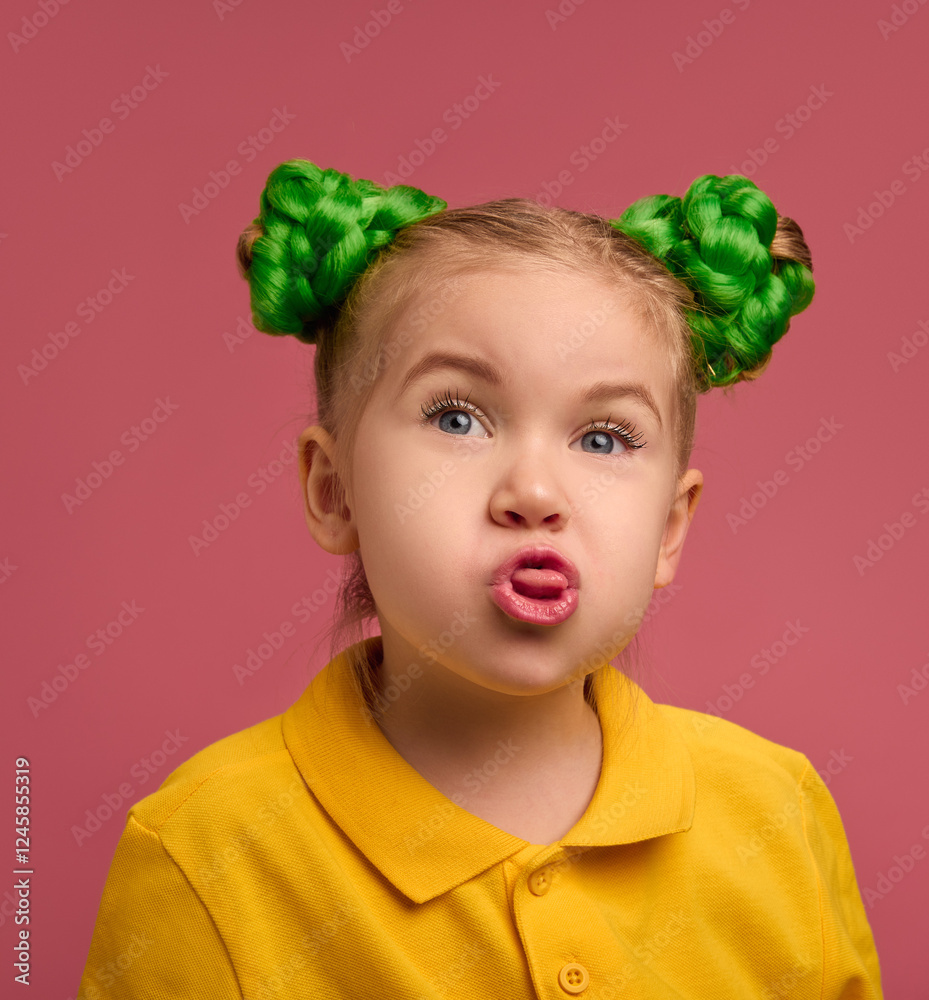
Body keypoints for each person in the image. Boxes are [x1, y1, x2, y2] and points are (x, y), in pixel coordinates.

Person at [78, 159, 883, 998]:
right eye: (457, 418)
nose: (534, 493)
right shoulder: (204, 853)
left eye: (604, 438)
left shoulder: (777, 812)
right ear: (334, 491)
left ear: (670, 529)